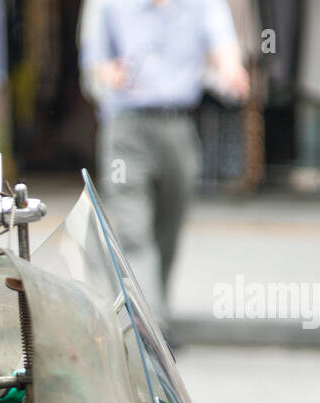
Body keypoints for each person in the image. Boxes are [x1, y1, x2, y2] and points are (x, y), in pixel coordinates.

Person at [79, 0, 250, 336]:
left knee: (167, 232)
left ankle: (155, 314)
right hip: (127, 129)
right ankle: (150, 330)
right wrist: (108, 73)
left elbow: (222, 43)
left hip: (179, 128)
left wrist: (231, 69)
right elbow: (92, 63)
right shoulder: (107, 4)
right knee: (133, 233)